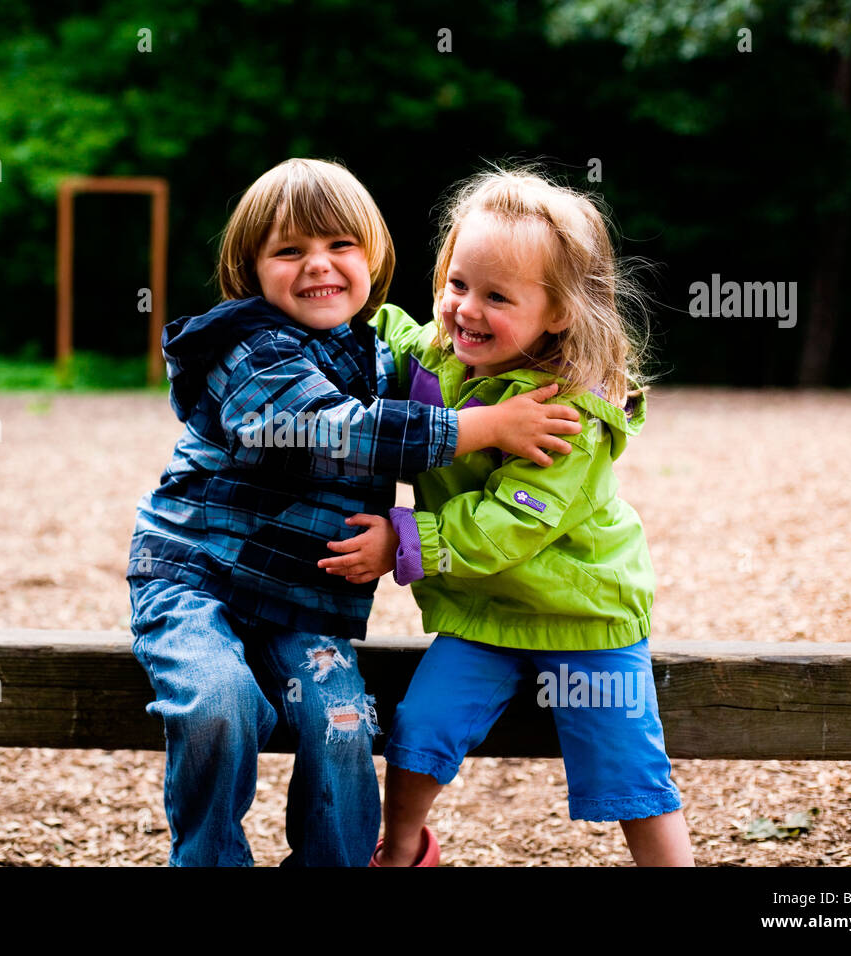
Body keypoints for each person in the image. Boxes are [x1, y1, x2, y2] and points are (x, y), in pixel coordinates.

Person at [126, 158, 584, 866]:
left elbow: (472, 361)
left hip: (305, 603)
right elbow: (338, 426)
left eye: (340, 245)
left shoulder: (378, 352)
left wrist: (581, 381)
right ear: (251, 270)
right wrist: (485, 430)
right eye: (290, 250)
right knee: (219, 702)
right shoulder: (248, 349)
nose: (319, 265)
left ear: (372, 255)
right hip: (196, 580)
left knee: (342, 724)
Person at [319, 166, 695, 867]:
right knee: (418, 734)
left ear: (558, 313)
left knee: (631, 774)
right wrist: (342, 295)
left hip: (584, 615)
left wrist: (405, 539)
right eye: (458, 285)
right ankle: (401, 851)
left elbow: (508, 522)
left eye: (497, 296)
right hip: (485, 615)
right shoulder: (440, 356)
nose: (465, 309)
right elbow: (395, 336)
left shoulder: (570, 412)